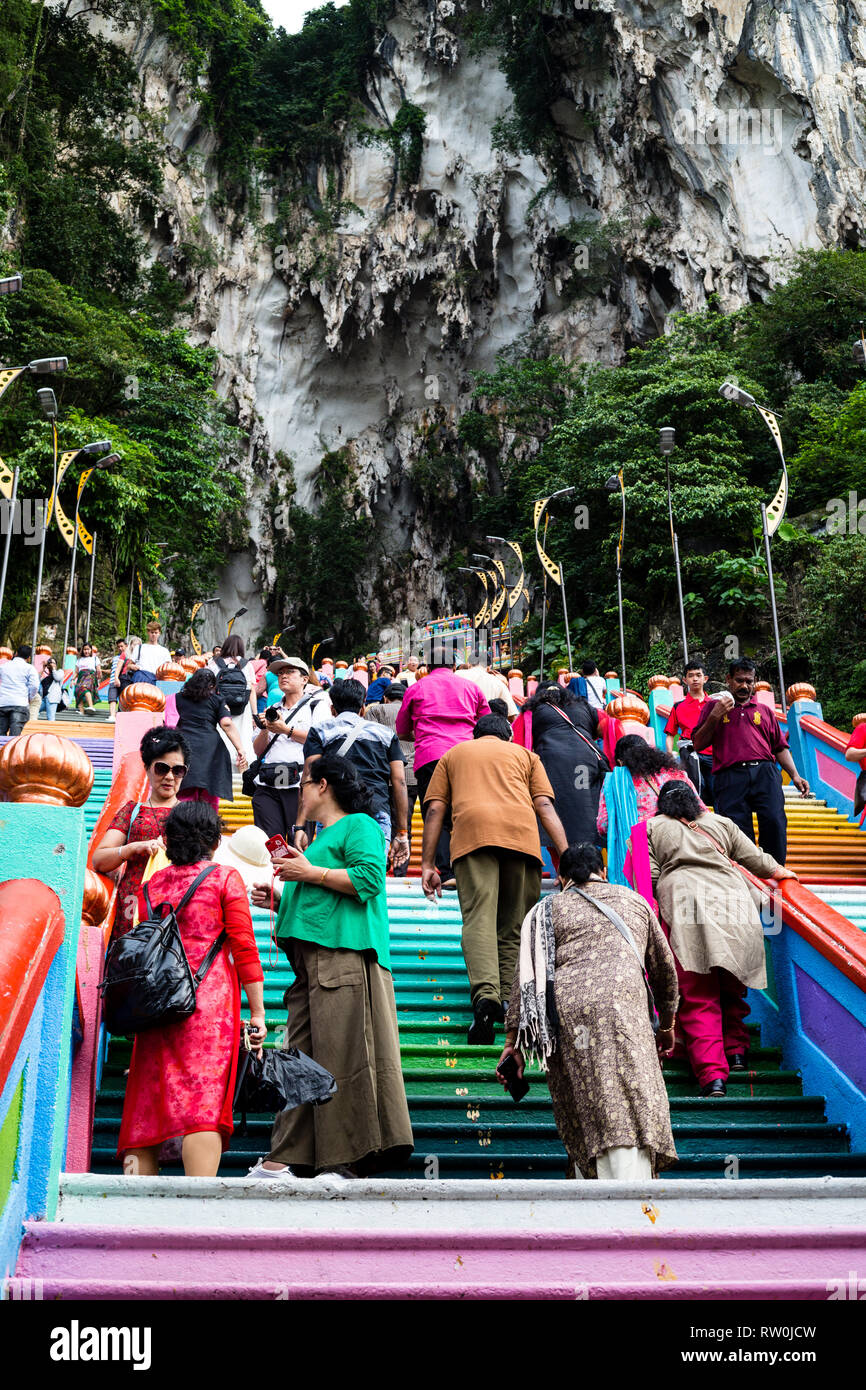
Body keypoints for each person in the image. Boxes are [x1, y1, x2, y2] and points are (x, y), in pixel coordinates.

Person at [249, 752, 413, 1179]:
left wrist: (309, 873)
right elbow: (324, 893)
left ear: (323, 785)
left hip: (344, 953)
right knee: (299, 1058)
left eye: (304, 782)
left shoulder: (358, 824)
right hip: (312, 962)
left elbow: (368, 880)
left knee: (341, 1055)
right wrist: (284, 897)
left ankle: (345, 1159)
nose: (299, 791)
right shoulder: (321, 839)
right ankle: (283, 1158)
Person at [499, 842, 678, 1180]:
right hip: (625, 1008)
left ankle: (589, 1180)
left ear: (562, 878)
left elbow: (526, 980)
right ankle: (630, 1187)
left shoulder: (545, 910)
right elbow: (665, 972)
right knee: (633, 1091)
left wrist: (513, 1045)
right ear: (604, 872)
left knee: (584, 1098)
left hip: (568, 1014)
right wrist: (667, 1026)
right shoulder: (635, 902)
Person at [117, 801, 265, 1178]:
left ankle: (133, 1209)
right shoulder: (223, 878)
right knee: (203, 1100)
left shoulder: (152, 886)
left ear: (168, 840)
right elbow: (244, 947)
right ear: (214, 841)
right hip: (207, 1003)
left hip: (157, 1003)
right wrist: (258, 1012)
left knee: (149, 1102)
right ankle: (198, 1204)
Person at [643, 780, 797, 1097]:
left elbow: (652, 877)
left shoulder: (651, 827)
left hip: (686, 904)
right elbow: (755, 858)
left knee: (699, 994)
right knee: (731, 983)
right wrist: (783, 874)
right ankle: (737, 1052)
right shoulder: (720, 822)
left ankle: (713, 1076)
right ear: (694, 801)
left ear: (663, 805)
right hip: (734, 902)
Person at [422, 713, 568, 1043]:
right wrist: (567, 860)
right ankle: (509, 1000)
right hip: (522, 838)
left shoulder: (453, 755)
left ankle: (485, 999)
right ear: (508, 737)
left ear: (476, 735)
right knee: (516, 925)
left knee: (479, 920)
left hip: (473, 838)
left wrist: (428, 863)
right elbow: (544, 806)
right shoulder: (526, 756)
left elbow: (433, 810)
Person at [692, 659, 810, 864]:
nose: (745, 686)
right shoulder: (713, 706)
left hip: (765, 773)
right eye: (739, 680)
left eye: (749, 681)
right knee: (736, 829)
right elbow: (698, 744)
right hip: (729, 776)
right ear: (729, 680)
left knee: (774, 821)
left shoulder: (764, 711)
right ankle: (745, 877)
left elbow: (779, 747)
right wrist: (715, 716)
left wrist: (795, 775)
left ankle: (775, 871)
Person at [396, 655, 490, 889]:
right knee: (467, 811)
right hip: (467, 755)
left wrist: (423, 735)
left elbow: (402, 730)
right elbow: (487, 724)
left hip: (430, 756)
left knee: (435, 813)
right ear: (454, 666)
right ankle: (471, 869)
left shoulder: (417, 687)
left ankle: (446, 872)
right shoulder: (471, 687)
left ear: (427, 667)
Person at [302, 678, 409, 869]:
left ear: (332, 708)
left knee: (330, 873)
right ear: (363, 707)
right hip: (375, 810)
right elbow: (399, 781)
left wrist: (300, 825)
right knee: (369, 875)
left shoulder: (319, 731)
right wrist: (401, 831)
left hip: (331, 813)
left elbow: (309, 778)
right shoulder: (385, 734)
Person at [94, 727, 191, 936]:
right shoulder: (131, 811)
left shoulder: (192, 815)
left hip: (176, 910)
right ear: (147, 768)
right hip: (131, 911)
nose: (169, 777)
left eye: (178, 770)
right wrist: (132, 849)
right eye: (161, 768)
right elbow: (99, 859)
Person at [513, 679, 607, 856]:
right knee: (586, 808)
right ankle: (590, 864)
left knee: (552, 810)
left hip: (552, 763)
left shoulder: (533, 710)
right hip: (584, 763)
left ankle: (563, 869)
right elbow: (605, 726)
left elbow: (519, 742)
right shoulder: (584, 706)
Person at [250, 656, 331, 841]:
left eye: (289, 672)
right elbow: (258, 750)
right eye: (280, 673)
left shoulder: (316, 706)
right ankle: (271, 870)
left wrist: (286, 730)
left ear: (304, 679)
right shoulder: (272, 708)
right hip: (268, 783)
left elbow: (322, 741)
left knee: (299, 843)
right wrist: (265, 729)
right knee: (269, 843)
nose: (283, 676)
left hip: (300, 785)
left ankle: (296, 870)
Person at [598, 734, 702, 836]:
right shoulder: (676, 773)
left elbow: (604, 826)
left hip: (646, 846)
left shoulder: (615, 782)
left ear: (620, 762)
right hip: (686, 839)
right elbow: (701, 810)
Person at [174, 668, 248, 810]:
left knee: (185, 789)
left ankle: (182, 824)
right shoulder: (217, 700)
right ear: (212, 686)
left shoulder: (177, 698)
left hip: (183, 746)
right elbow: (226, 723)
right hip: (210, 748)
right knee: (209, 791)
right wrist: (240, 749)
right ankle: (209, 826)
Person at [366, 682, 417, 876]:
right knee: (404, 824)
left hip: (382, 775)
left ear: (385, 698)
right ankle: (401, 869)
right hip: (410, 775)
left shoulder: (376, 710)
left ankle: (381, 862)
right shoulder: (412, 711)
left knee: (379, 821)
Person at [664, 660, 714, 804]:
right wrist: (669, 755)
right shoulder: (678, 706)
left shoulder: (714, 705)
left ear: (705, 679)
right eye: (691, 676)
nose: (695, 679)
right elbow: (670, 734)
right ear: (685, 680)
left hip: (713, 753)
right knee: (696, 787)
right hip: (690, 751)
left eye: (698, 675)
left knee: (715, 788)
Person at [208, 633, 256, 762]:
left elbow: (208, 686)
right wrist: (254, 714)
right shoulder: (247, 664)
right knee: (242, 735)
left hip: (219, 705)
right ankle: (242, 763)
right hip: (242, 707)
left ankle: (220, 762)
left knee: (221, 732)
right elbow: (251, 690)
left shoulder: (214, 663)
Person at [0, 643, 43, 735]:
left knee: (0, 734)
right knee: (14, 737)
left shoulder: (3, 667)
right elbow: (35, 686)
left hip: (3, 703)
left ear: (15, 654)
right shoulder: (30, 668)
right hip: (19, 704)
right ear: (28, 658)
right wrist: (29, 698)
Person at [454, 663, 519, 718]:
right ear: (489, 667)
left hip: (456, 724)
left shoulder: (456, 674)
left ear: (469, 664)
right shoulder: (498, 682)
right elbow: (511, 714)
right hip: (485, 728)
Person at [73, 642, 102, 716]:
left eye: (88, 649)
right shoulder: (79, 660)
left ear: (91, 650)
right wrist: (72, 679)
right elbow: (76, 672)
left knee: (84, 688)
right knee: (77, 690)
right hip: (81, 677)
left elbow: (98, 669)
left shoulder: (95, 658)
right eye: (85, 649)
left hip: (90, 676)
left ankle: (91, 706)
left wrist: (99, 677)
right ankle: (81, 711)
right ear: (82, 650)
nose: (86, 651)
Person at [106, 637, 128, 722]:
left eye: (122, 646)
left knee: (123, 699)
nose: (120, 648)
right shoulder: (115, 658)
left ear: (126, 646)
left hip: (123, 680)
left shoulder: (128, 657)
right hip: (112, 681)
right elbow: (113, 670)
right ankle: (112, 715)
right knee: (112, 698)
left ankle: (120, 716)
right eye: (118, 647)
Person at [39, 656, 64, 721]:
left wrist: (53, 669)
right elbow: (36, 680)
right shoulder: (46, 675)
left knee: (50, 718)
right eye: (49, 662)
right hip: (44, 698)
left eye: (52, 662)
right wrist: (43, 668)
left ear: (56, 664)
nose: (51, 664)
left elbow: (57, 677)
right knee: (34, 711)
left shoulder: (60, 672)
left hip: (52, 698)